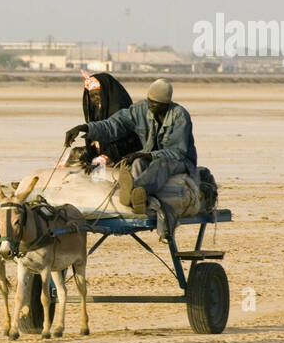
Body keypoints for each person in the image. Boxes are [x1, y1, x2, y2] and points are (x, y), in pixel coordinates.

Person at [64, 78, 197, 243]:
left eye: (155, 104)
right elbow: (114, 124)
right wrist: (85, 128)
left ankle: (138, 190)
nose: (150, 106)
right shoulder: (141, 109)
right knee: (137, 163)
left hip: (178, 161)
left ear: (166, 104)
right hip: (149, 157)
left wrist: (145, 155)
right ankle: (133, 195)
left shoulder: (179, 115)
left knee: (160, 164)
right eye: (149, 101)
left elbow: (176, 151)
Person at [80, 70, 141, 165]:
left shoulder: (119, 107)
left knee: (99, 161)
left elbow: (124, 138)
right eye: (92, 96)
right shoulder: (97, 110)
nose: (96, 99)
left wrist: (108, 154)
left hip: (123, 149)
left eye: (97, 94)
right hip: (102, 148)